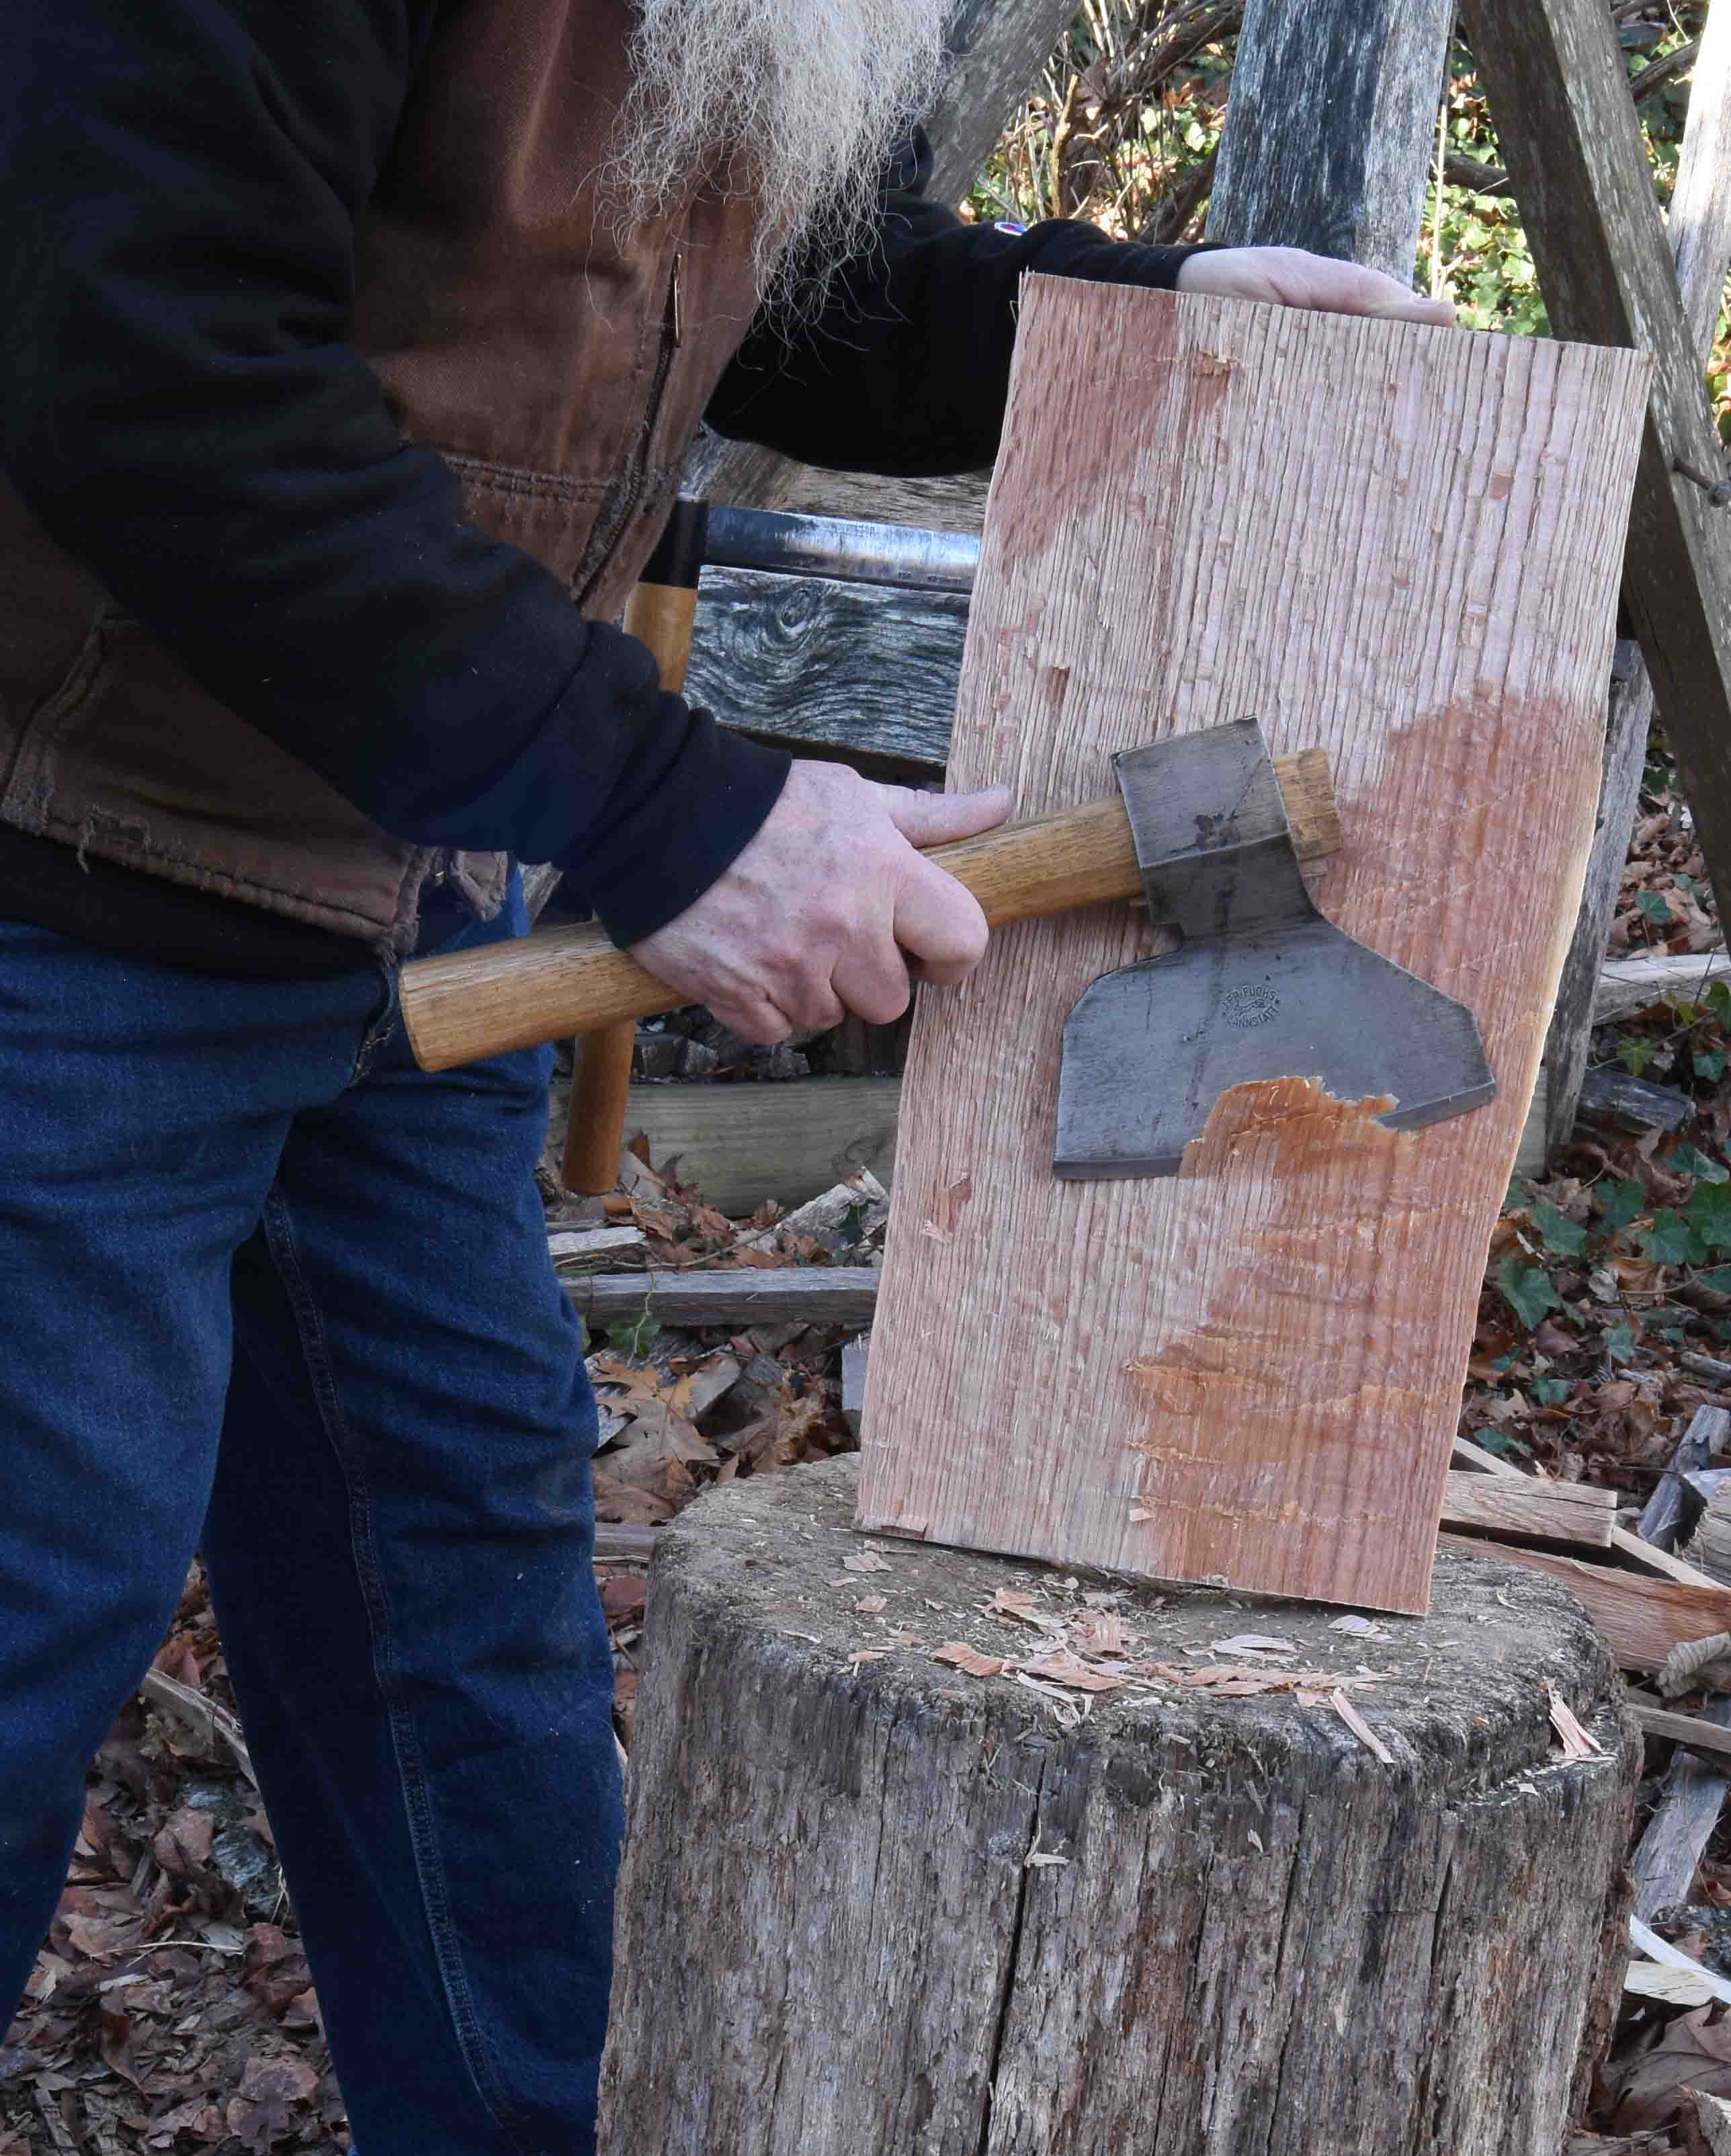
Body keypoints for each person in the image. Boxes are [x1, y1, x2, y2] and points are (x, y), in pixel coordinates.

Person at [0, 3, 1455, 2148]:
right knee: (31, 1606)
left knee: (460, 1613)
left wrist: (1132, 310)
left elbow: (751, 274)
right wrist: (671, 813)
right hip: (72, 878)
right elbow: (140, 353)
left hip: (406, 878)